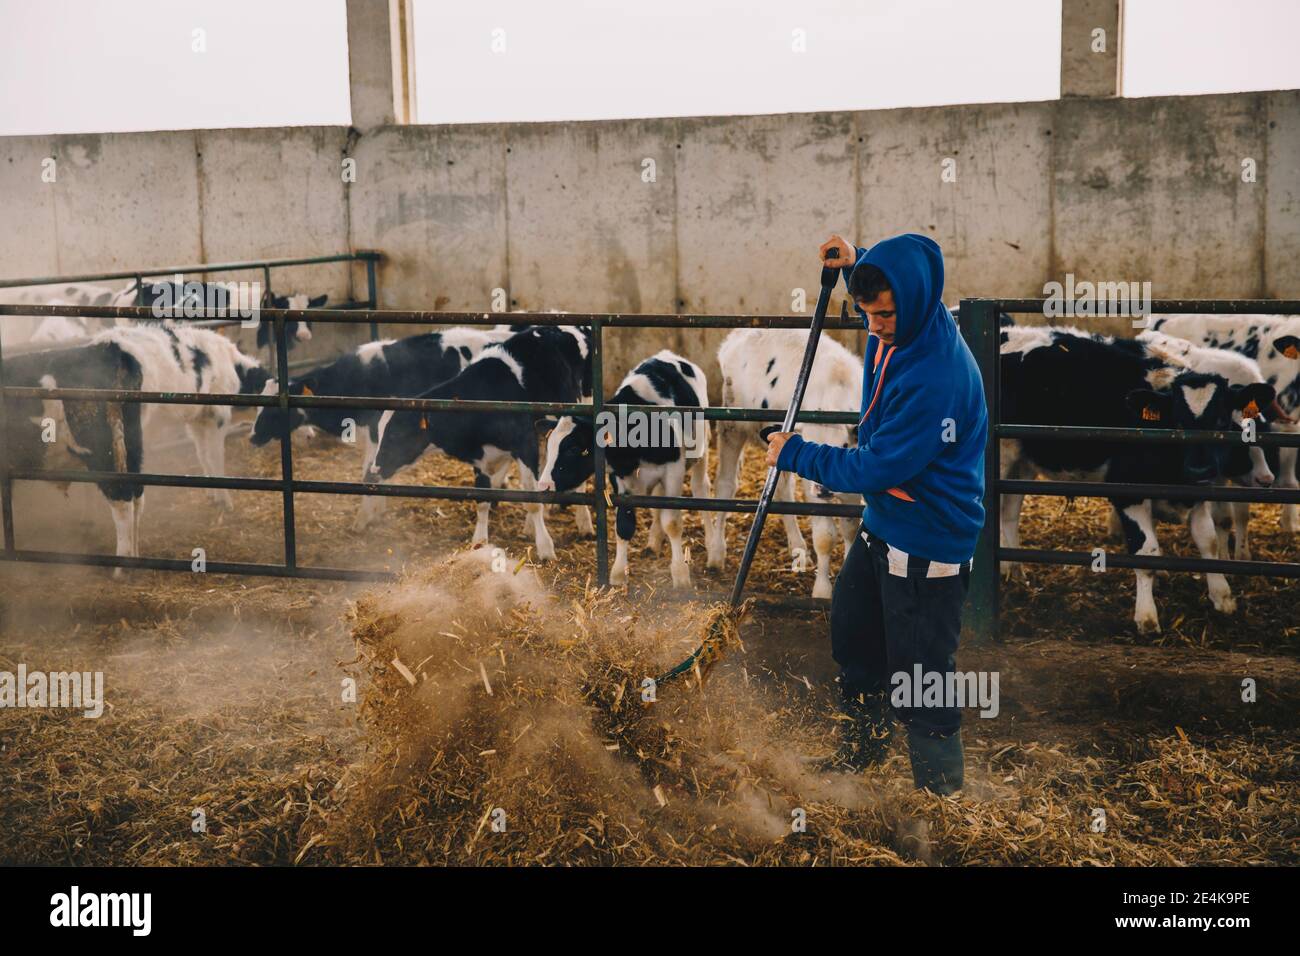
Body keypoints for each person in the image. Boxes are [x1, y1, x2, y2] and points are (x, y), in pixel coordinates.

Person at [764, 233, 987, 794]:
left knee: (920, 680)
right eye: (866, 313)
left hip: (925, 541)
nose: (875, 327)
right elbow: (887, 285)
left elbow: (874, 468)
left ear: (911, 301)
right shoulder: (909, 315)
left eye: (884, 314)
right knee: (855, 637)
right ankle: (859, 758)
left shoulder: (936, 376)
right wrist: (855, 263)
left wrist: (796, 454)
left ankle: (943, 802)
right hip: (886, 525)